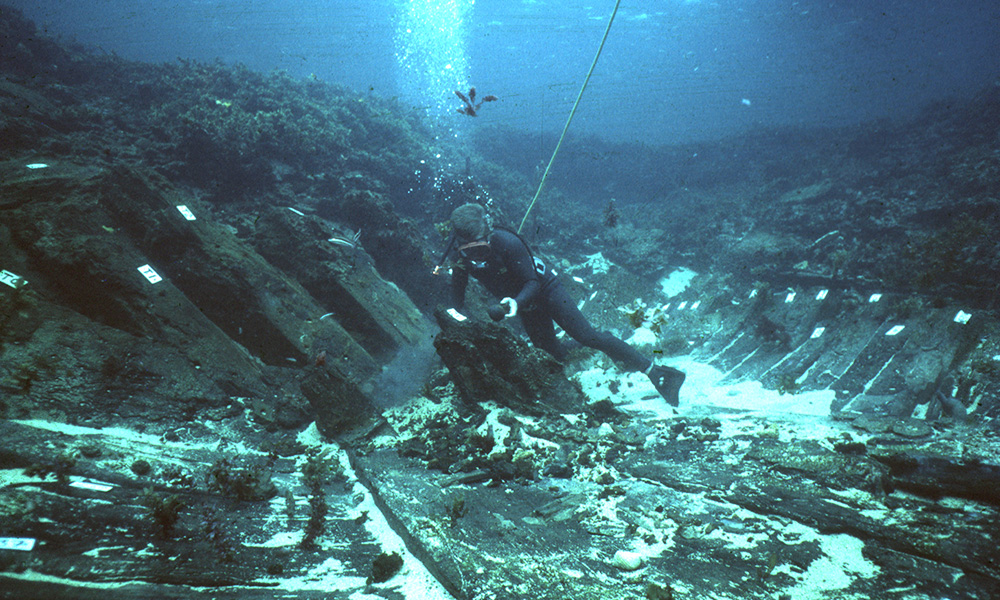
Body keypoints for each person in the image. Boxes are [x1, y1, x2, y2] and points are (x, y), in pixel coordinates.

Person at [443, 203, 686, 406]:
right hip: (524, 305)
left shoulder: (507, 243)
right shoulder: (459, 259)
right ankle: (609, 342)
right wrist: (455, 316)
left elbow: (532, 283)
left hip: (546, 291)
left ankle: (657, 372)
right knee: (552, 354)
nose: (478, 256)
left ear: (488, 234)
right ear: (459, 243)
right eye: (470, 250)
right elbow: (457, 291)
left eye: (481, 248)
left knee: (588, 336)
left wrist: (515, 303)